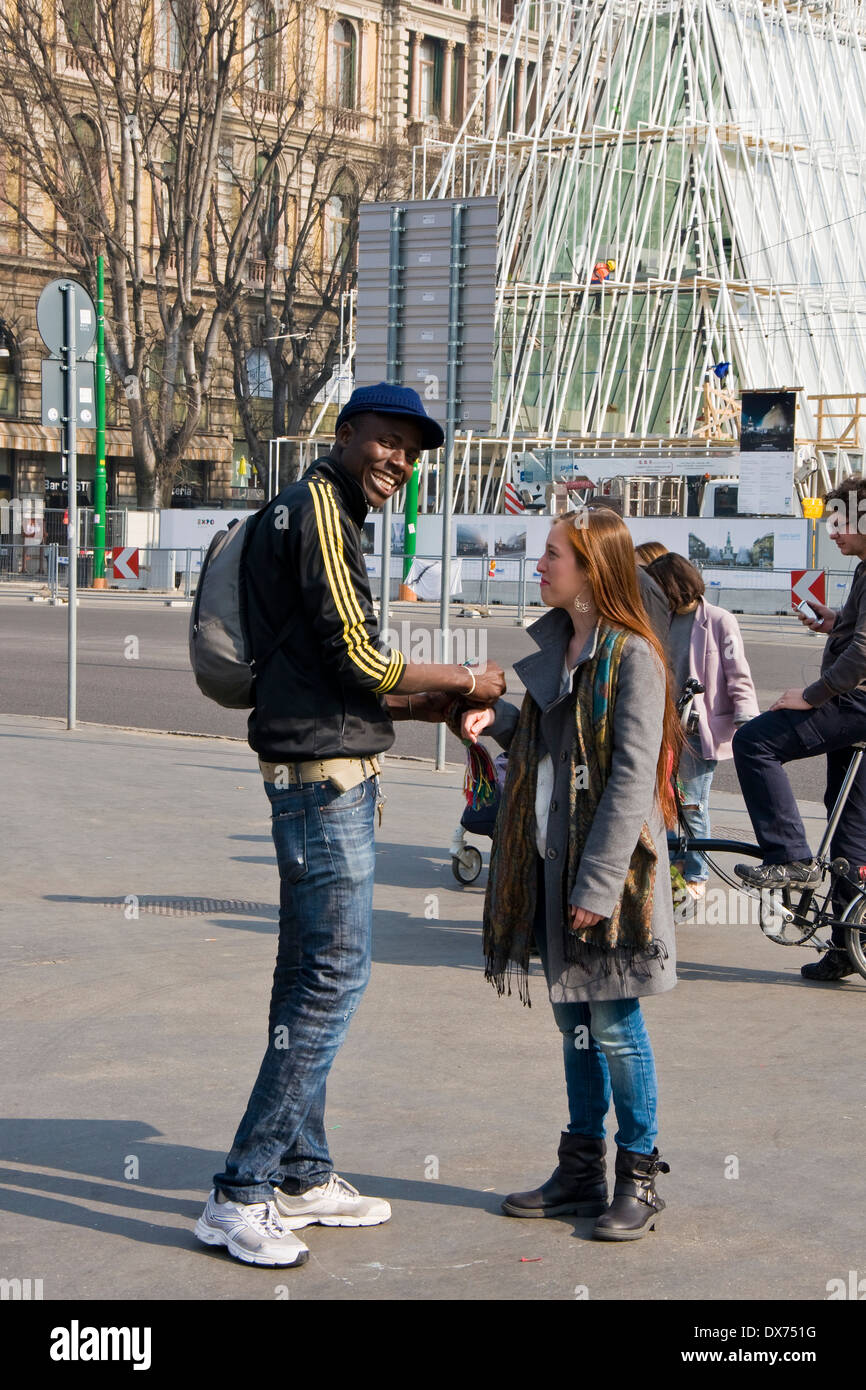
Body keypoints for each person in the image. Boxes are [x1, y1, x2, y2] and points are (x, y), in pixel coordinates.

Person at [195, 382, 505, 1267]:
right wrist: (464, 682)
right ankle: (241, 1191)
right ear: (348, 433)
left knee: (306, 980)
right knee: (332, 980)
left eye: (412, 451)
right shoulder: (321, 513)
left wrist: (429, 710)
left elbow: (341, 682)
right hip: (322, 788)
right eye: (388, 441)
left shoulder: (318, 512)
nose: (399, 461)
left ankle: (301, 1171)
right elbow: (364, 658)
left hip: (319, 771)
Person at [462, 507, 681, 1240]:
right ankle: (581, 1169)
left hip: (608, 875)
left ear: (592, 570)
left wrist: (597, 884)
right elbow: (548, 746)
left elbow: (631, 780)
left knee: (615, 1022)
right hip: (549, 856)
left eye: (553, 554)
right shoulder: (560, 651)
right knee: (573, 1024)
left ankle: (640, 1177)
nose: (541, 565)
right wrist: (494, 723)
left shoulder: (634, 658)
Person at [733, 476, 866, 982]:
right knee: (851, 831)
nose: (831, 530)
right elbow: (858, 633)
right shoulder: (862, 570)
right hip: (857, 704)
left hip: (856, 703)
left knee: (755, 740)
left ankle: (789, 856)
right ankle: (849, 945)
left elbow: (864, 654)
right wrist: (833, 620)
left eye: (839, 521)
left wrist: (810, 696)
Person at [645, 552, 758, 901]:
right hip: (664, 725)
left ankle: (697, 871)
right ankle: (673, 862)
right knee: (664, 801)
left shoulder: (720, 620)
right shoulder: (661, 619)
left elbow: (738, 673)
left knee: (692, 802)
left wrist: (747, 721)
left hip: (697, 729)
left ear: (672, 586)